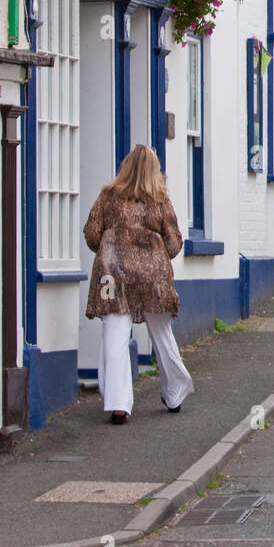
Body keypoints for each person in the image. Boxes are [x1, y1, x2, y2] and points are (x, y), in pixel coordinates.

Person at [84, 144, 194, 424]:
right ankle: (175, 392)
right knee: (161, 333)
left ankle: (118, 405)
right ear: (154, 170)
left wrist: (112, 244)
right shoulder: (159, 199)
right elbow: (174, 242)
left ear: (126, 165)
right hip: (152, 276)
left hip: (112, 273)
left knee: (114, 333)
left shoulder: (108, 195)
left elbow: (92, 233)